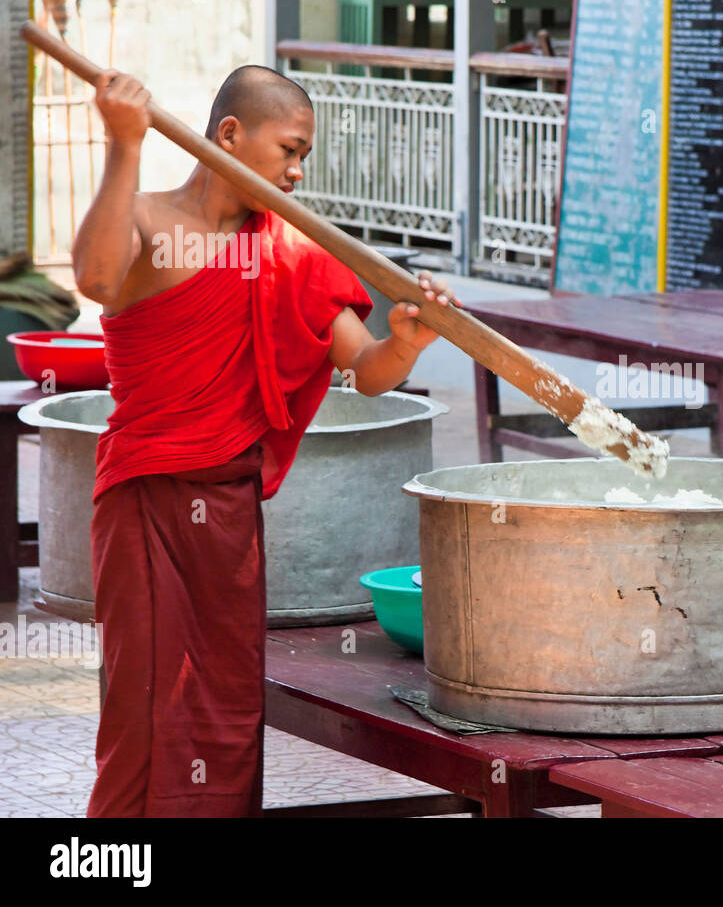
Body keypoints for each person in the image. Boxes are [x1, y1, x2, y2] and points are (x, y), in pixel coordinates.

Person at [73, 64, 460, 816]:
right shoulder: (151, 223)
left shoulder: (290, 251)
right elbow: (94, 276)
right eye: (288, 149)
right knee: (148, 705)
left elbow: (369, 369)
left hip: (231, 516)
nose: (298, 170)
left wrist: (407, 341)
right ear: (229, 136)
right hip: (148, 502)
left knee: (225, 711)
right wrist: (122, 146)